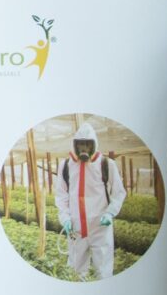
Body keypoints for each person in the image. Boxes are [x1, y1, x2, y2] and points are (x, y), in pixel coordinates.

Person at [54, 120, 127, 279]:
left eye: (87, 145)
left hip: (100, 228)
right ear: (75, 145)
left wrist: (110, 213)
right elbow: (61, 195)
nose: (84, 150)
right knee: (76, 272)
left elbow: (119, 193)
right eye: (81, 145)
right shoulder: (66, 165)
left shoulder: (107, 164)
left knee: (103, 272)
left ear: (94, 145)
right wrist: (65, 218)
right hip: (75, 229)